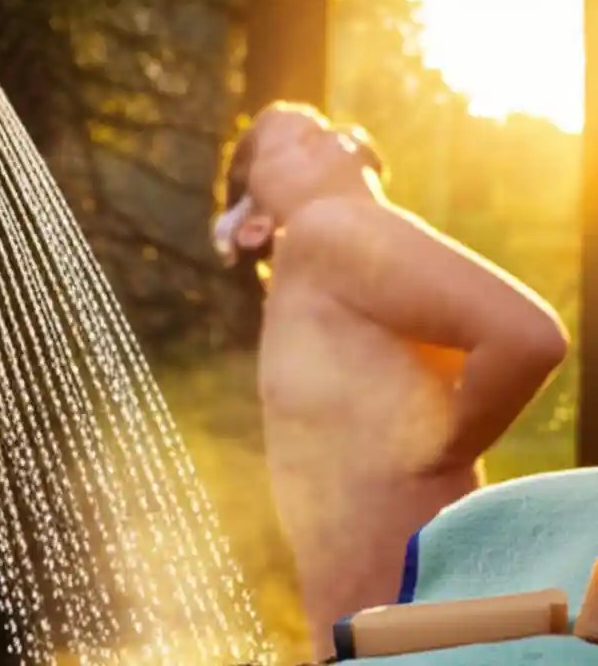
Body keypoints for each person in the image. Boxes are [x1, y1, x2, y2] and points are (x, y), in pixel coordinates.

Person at [211, 101, 570, 660]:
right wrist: (448, 453)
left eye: (321, 127)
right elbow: (526, 337)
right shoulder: (318, 231)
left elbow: (527, 340)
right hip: (410, 640)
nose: (317, 129)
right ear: (255, 223)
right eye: (286, 140)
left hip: (404, 642)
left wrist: (446, 452)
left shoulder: (325, 251)